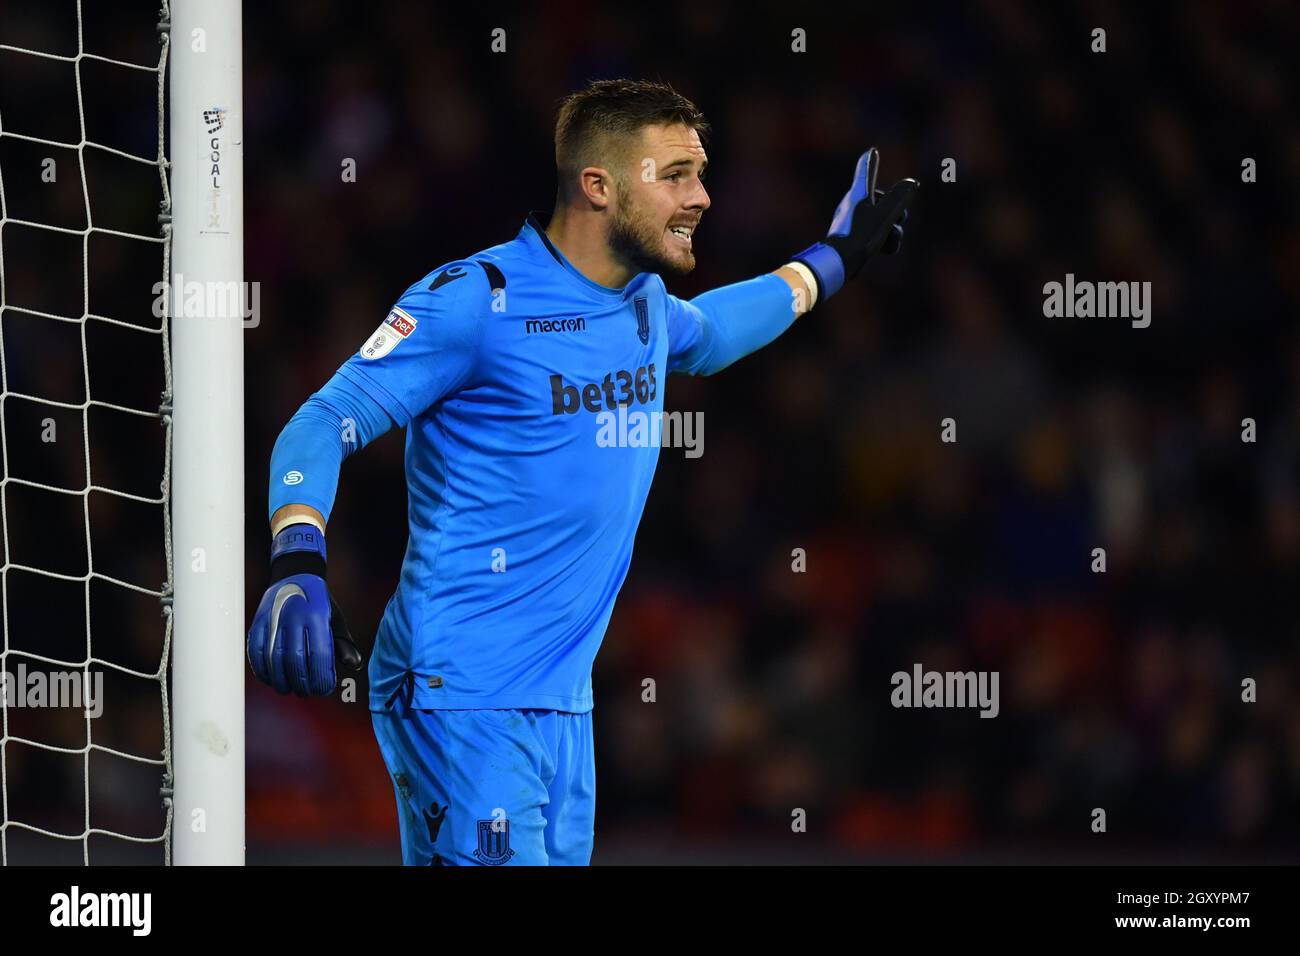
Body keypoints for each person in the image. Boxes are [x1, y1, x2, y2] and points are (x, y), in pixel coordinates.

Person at [247, 78, 917, 865]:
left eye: (700, 175)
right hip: (461, 689)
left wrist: (832, 260)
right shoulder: (476, 300)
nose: (701, 197)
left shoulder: (643, 303)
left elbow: (714, 331)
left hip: (561, 699)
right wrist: (297, 558)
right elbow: (323, 419)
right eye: (675, 175)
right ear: (597, 185)